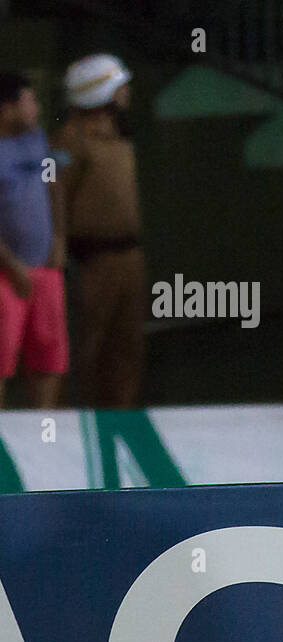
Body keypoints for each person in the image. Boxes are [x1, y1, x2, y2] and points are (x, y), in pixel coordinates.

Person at [53, 53, 145, 408]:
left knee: (128, 345)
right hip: (93, 258)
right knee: (91, 344)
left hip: (130, 256)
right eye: (120, 85)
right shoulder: (70, 140)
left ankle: (122, 415)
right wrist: (60, 243)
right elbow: (57, 194)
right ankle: (84, 418)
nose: (126, 92)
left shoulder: (120, 134)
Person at [0, 71, 65, 409]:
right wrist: (11, 266)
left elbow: (53, 186)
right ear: (8, 108)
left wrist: (59, 237)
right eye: (30, 101)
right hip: (5, 275)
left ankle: (46, 439)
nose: (37, 108)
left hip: (45, 270)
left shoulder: (38, 141)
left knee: (48, 360)